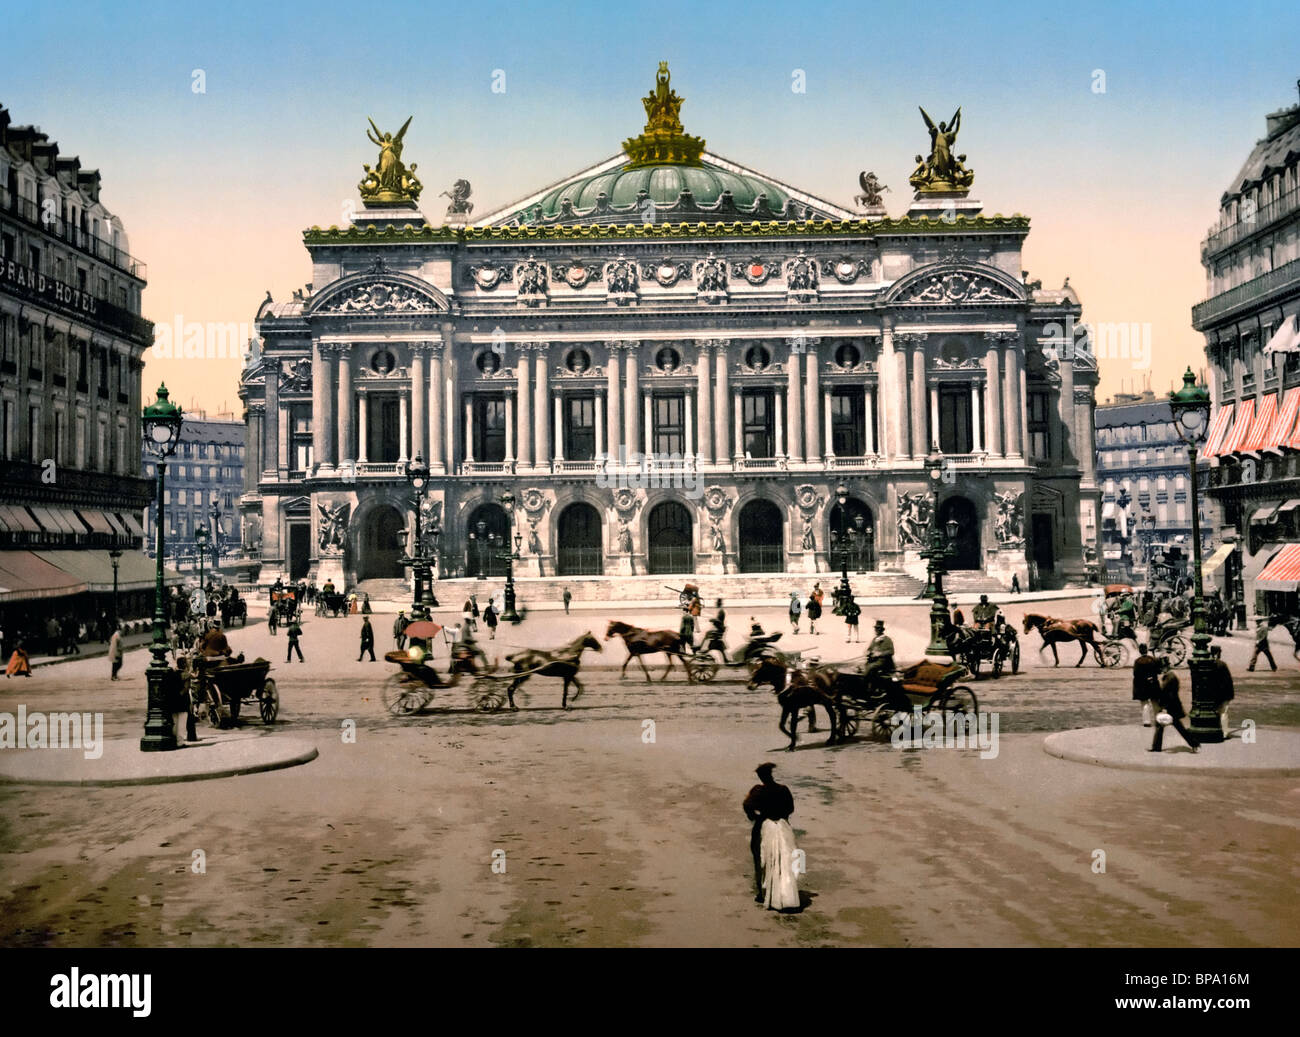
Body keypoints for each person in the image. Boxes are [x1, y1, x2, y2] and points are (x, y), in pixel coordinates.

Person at [742, 763, 799, 911]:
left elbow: (747, 805)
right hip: (782, 826)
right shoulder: (783, 789)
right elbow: (790, 808)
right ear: (771, 775)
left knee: (762, 859)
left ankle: (764, 893)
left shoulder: (758, 791)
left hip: (766, 825)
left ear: (761, 777)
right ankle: (786, 894)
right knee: (785, 860)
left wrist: (755, 817)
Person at [1150, 658, 1199, 753]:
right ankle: (1194, 743)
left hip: (1171, 707)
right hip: (1173, 706)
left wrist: (1164, 708)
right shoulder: (1170, 676)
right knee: (1169, 726)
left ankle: (1194, 743)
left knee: (1176, 727)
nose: (1161, 670)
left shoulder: (1170, 678)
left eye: (1162, 667)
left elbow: (1168, 695)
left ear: (1166, 667)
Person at [1132, 642, 1161, 727]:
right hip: (1153, 683)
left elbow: (1135, 674)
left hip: (1142, 685)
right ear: (1147, 650)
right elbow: (1159, 671)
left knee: (1144, 703)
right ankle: (1158, 720)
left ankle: (1146, 721)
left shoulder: (1137, 661)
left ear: (1140, 651)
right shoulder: (1153, 659)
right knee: (1155, 703)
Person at [1208, 644, 1234, 736]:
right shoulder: (1222, 664)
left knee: (1216, 712)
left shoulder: (1208, 664)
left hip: (1213, 693)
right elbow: (1228, 681)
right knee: (1224, 713)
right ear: (1218, 652)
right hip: (1224, 693)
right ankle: (1224, 732)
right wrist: (1231, 695)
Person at [864, 620, 895, 687]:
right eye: (876, 628)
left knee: (870, 668)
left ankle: (867, 688)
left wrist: (879, 654)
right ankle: (870, 685)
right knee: (862, 669)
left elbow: (891, 651)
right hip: (873, 660)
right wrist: (868, 652)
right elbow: (869, 649)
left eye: (878, 629)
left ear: (882, 630)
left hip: (883, 661)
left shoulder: (887, 639)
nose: (876, 630)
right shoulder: (874, 639)